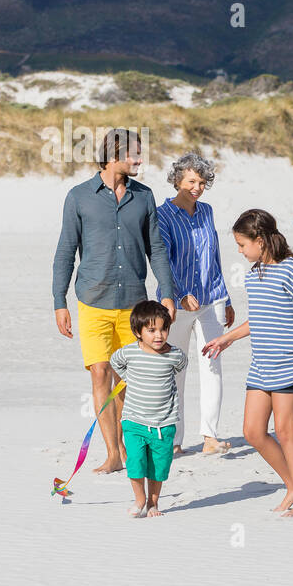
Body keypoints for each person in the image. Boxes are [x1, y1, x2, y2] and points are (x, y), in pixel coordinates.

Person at [53, 129, 177, 475]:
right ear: (112, 155)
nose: (140, 160)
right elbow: (65, 251)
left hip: (134, 304)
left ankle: (129, 446)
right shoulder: (79, 197)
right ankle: (112, 454)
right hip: (92, 301)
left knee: (129, 381)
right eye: (134, 154)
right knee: (100, 375)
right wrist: (58, 301)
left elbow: (156, 248)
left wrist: (166, 291)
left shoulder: (144, 196)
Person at [202, 209, 293, 518]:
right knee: (253, 432)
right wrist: (227, 338)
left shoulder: (292, 269)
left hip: (290, 362)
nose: (241, 252)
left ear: (260, 241)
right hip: (261, 365)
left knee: (286, 432)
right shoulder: (254, 273)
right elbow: (258, 318)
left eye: (243, 245)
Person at [156, 152, 234, 456]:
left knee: (212, 367)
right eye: (191, 181)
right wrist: (179, 293)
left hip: (211, 299)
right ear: (178, 180)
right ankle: (173, 440)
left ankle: (210, 436)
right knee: (175, 370)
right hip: (175, 304)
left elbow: (213, 257)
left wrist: (225, 295)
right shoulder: (162, 215)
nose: (197, 187)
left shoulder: (207, 211)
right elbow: (162, 258)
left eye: (202, 182)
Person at [108, 301, 187, 517]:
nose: (159, 335)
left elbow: (181, 365)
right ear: (138, 332)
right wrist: (127, 379)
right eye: (151, 330)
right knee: (135, 462)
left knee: (158, 467)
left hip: (164, 423)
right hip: (134, 421)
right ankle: (139, 498)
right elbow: (115, 362)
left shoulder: (174, 355)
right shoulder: (129, 353)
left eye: (163, 329)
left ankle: (153, 503)